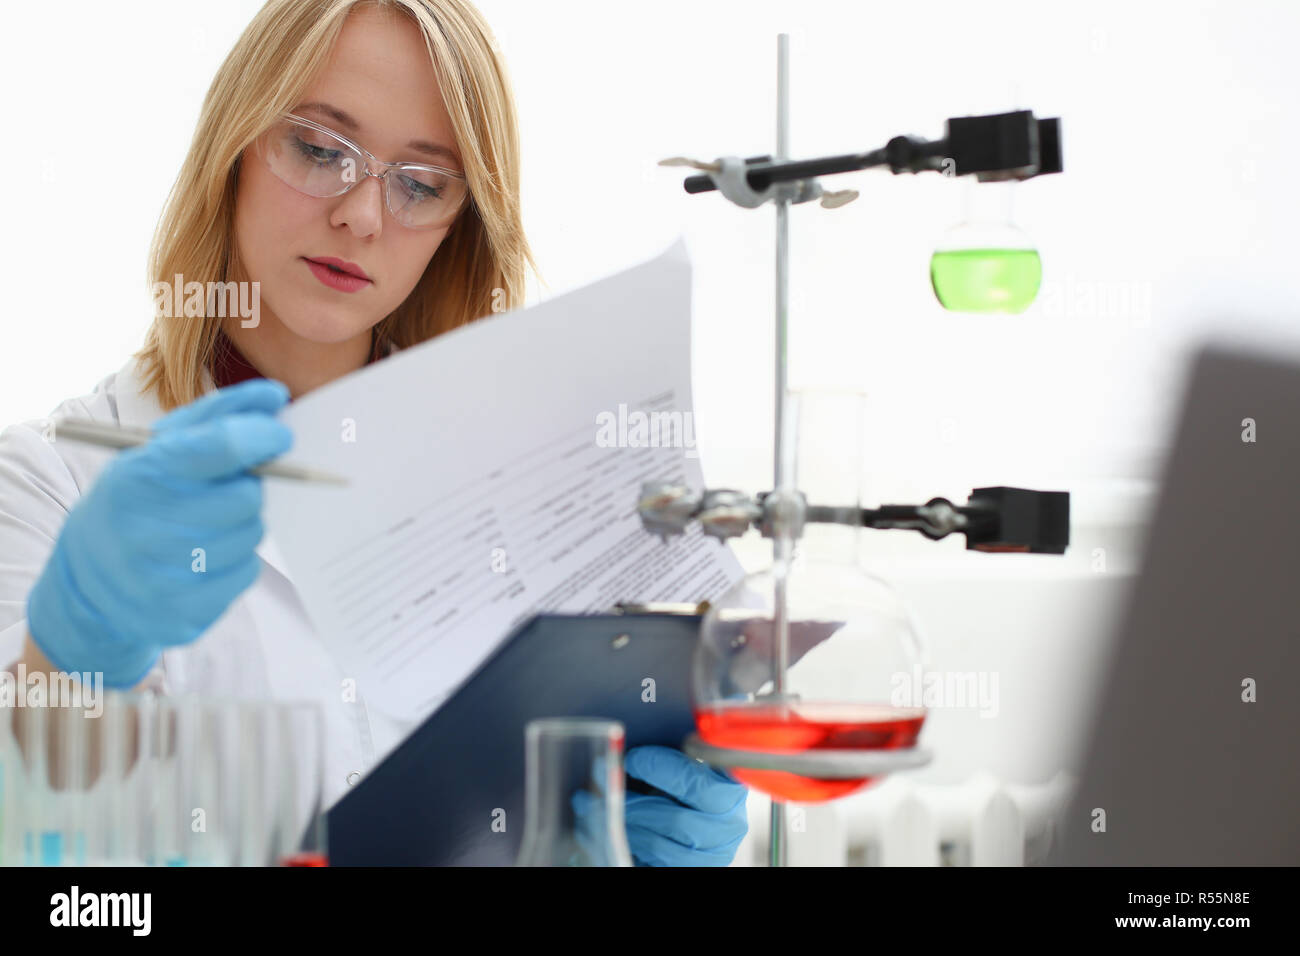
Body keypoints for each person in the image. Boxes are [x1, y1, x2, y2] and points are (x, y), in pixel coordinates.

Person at [0, 0, 746, 866]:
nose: (361, 216)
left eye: (421, 183)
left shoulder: (528, 482)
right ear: (234, 148)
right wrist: (71, 660)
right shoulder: (54, 477)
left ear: (457, 227)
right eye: (319, 149)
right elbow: (45, 856)